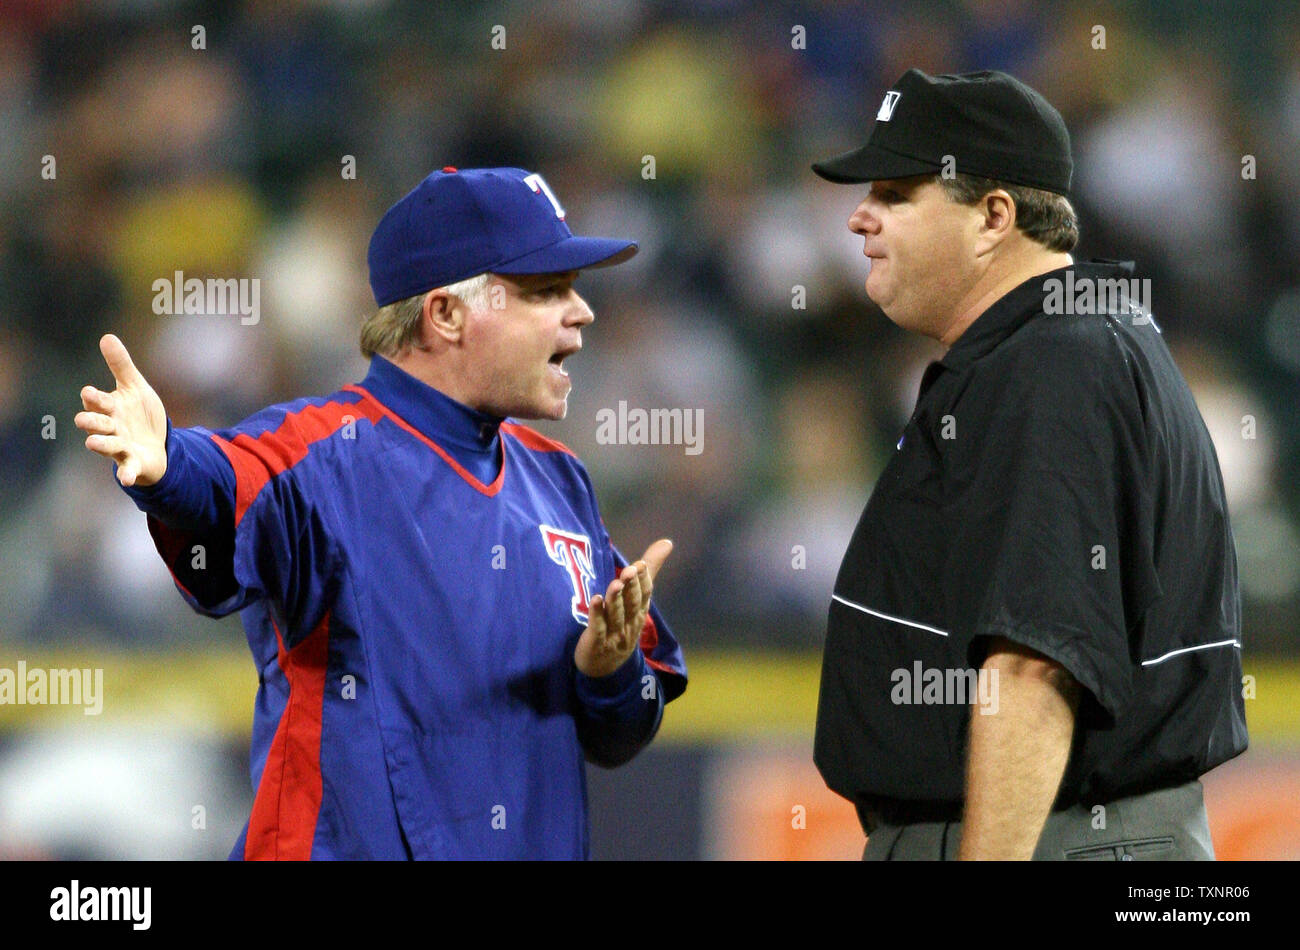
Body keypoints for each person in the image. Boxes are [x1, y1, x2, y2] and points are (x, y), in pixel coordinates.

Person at [74, 166, 687, 860]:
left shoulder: (559, 480)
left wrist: (606, 671)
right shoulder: (328, 455)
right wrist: (166, 464)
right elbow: (224, 479)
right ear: (446, 315)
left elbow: (623, 732)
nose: (581, 311)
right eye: (545, 291)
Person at [810, 69, 1247, 860]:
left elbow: (1036, 667)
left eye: (895, 195)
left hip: (1059, 840)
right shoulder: (1069, 344)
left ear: (993, 217)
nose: (859, 219)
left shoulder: (1054, 364)